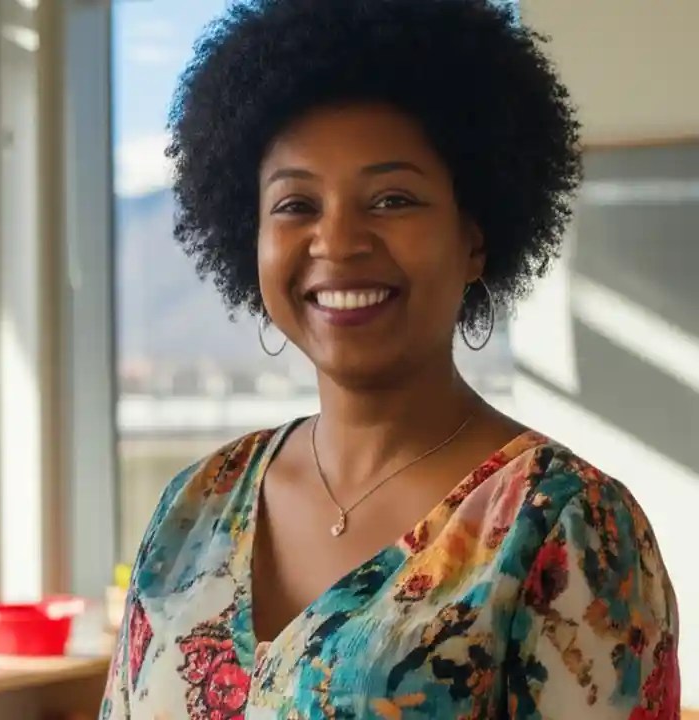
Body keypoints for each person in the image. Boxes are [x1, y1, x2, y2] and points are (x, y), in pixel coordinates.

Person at [101, 0, 680, 718]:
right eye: (294, 205)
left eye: (392, 198)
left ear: (474, 240)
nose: (337, 241)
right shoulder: (195, 508)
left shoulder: (564, 526)